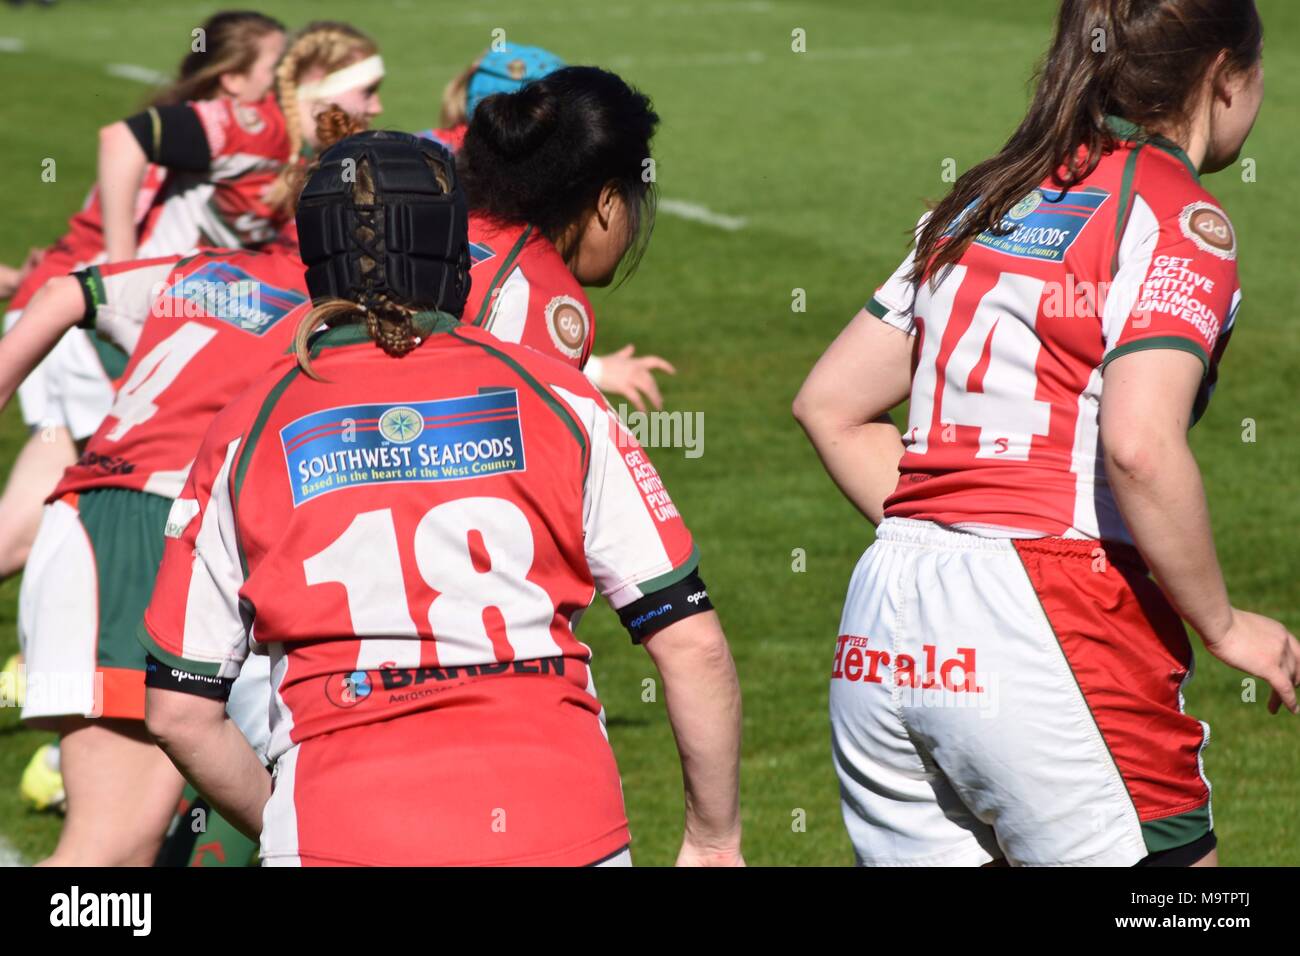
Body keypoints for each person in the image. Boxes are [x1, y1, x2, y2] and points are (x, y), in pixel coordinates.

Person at [140, 130, 744, 867]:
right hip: (561, 822)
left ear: (314, 260)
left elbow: (178, 712)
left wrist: (291, 820)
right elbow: (693, 644)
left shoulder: (249, 425)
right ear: (456, 249)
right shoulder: (560, 397)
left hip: (341, 826)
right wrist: (714, 842)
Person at [795, 0, 1297, 867]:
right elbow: (1140, 445)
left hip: (883, 621)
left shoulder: (991, 193)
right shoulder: (1179, 217)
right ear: (1225, 75)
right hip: (1050, 620)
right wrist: (1222, 627)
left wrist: (963, 528)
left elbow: (830, 405)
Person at [0, 9, 288, 583]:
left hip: (73, 311)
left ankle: (46, 658)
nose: (280, 82)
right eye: (274, 67)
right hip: (94, 324)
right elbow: (121, 141)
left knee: (57, 518)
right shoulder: (242, 124)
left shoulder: (202, 126)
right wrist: (126, 273)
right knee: (104, 509)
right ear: (234, 78)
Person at [457, 66, 676, 410]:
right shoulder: (541, 298)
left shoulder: (456, 224)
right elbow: (518, 455)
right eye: (634, 203)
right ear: (607, 200)